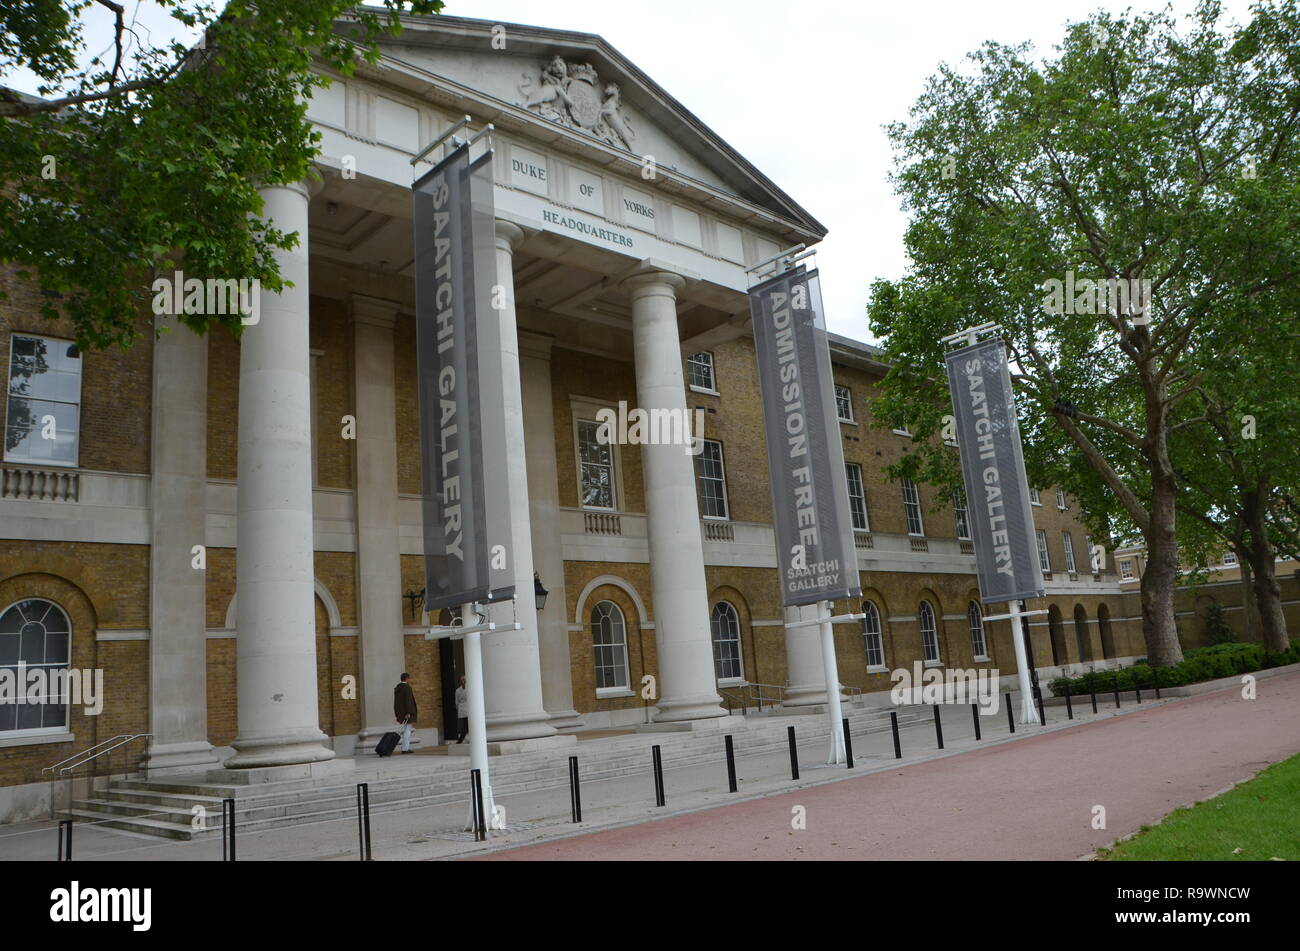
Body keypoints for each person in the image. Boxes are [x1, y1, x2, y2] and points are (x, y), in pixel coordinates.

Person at [394, 672, 417, 754]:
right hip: (407, 713)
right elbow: (408, 701)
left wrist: (397, 713)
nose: (410, 680)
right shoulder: (407, 688)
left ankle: (406, 747)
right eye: (409, 678)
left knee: (405, 730)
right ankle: (405, 748)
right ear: (406, 678)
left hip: (400, 712)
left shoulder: (397, 688)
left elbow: (396, 702)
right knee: (407, 730)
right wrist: (409, 712)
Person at [455, 675, 468, 744]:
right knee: (466, 726)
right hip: (466, 709)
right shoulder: (458, 690)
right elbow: (456, 702)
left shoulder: (458, 690)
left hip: (463, 709)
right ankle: (460, 740)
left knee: (466, 726)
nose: (463, 681)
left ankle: (460, 740)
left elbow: (456, 703)